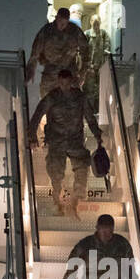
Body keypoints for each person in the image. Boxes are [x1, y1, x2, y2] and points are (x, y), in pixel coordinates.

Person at [29, 69, 103, 217]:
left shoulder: (80, 97)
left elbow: (90, 118)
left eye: (67, 83)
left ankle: (74, 203)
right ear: (58, 82)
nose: (64, 86)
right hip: (57, 141)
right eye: (61, 83)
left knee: (82, 169)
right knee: (56, 172)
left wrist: (97, 134)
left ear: (71, 82)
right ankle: (58, 202)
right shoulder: (52, 97)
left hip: (75, 141)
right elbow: (37, 115)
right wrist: (32, 136)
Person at [27, 7, 89, 102]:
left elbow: (86, 51)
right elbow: (35, 51)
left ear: (68, 21)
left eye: (64, 23)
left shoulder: (74, 31)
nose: (61, 25)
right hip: (51, 71)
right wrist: (31, 69)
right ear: (56, 18)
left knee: (74, 102)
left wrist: (83, 73)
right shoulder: (47, 30)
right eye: (59, 21)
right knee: (47, 101)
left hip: (70, 72)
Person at [84, 16, 111, 110]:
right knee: (89, 89)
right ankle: (89, 110)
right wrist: (86, 66)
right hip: (90, 68)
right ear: (91, 22)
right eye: (94, 23)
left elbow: (107, 49)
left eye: (97, 23)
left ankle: (99, 110)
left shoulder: (104, 34)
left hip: (101, 68)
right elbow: (83, 51)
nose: (96, 25)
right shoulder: (87, 34)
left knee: (101, 89)